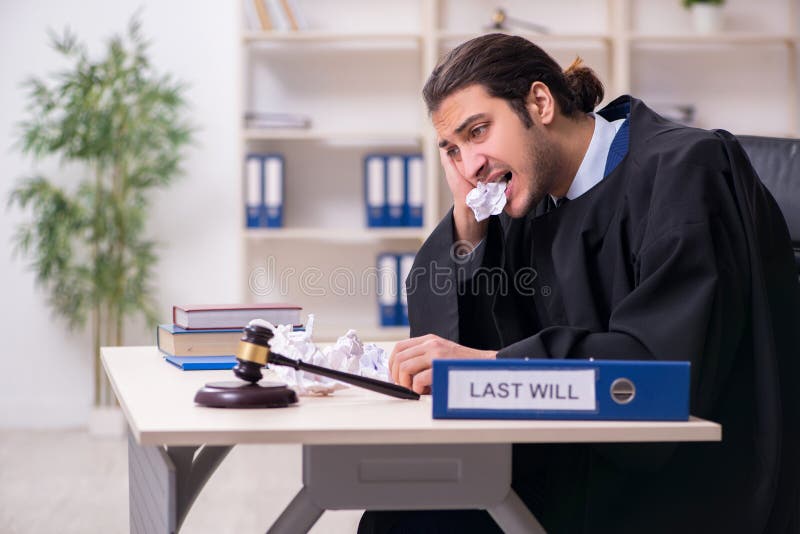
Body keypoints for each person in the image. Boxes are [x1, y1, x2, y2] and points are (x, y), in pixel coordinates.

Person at [358, 34, 800, 533]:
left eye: (478, 131)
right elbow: (454, 339)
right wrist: (467, 217)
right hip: (569, 459)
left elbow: (660, 373)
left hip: (676, 483)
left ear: (540, 102)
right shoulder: (526, 194)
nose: (470, 165)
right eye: (453, 151)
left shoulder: (685, 171)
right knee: (402, 509)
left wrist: (495, 368)